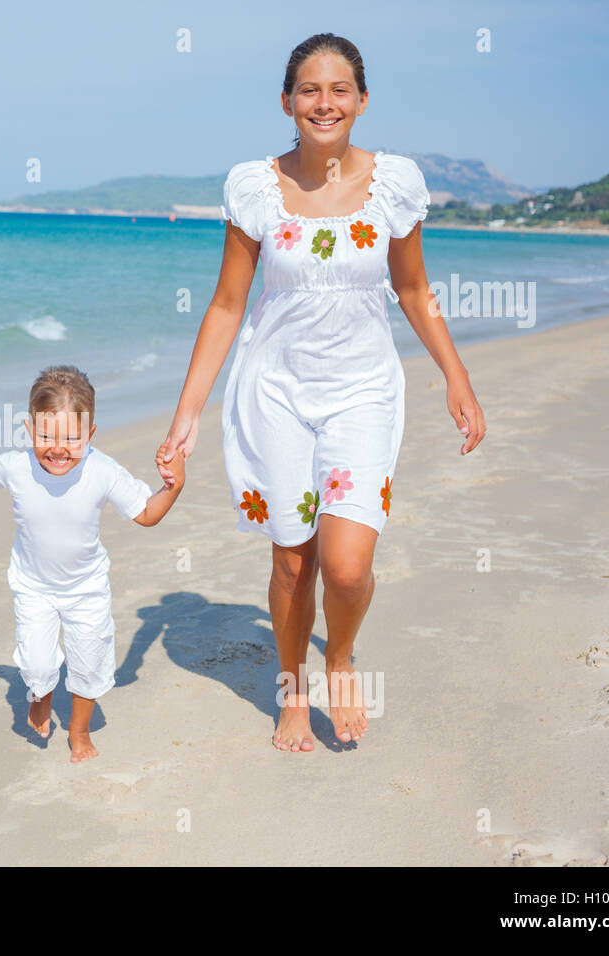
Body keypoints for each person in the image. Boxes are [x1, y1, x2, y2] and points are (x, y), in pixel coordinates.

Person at [160, 34, 486, 752]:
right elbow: (225, 306)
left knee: (346, 566)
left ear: (362, 101)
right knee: (291, 558)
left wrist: (455, 376)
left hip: (362, 392)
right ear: (286, 101)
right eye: (309, 90)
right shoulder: (255, 187)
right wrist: (186, 415)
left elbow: (413, 289)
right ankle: (292, 688)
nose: (324, 103)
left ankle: (337, 656)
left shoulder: (394, 183)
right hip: (275, 391)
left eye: (340, 90)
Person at [0, 365, 184, 761]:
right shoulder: (17, 466)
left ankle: (78, 731)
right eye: (46, 436)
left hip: (86, 588)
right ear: (29, 428)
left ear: (90, 434)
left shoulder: (102, 470)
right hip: (33, 586)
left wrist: (173, 487)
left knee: (88, 662)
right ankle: (40, 695)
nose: (58, 449)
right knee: (38, 664)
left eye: (72, 439)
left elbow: (146, 513)